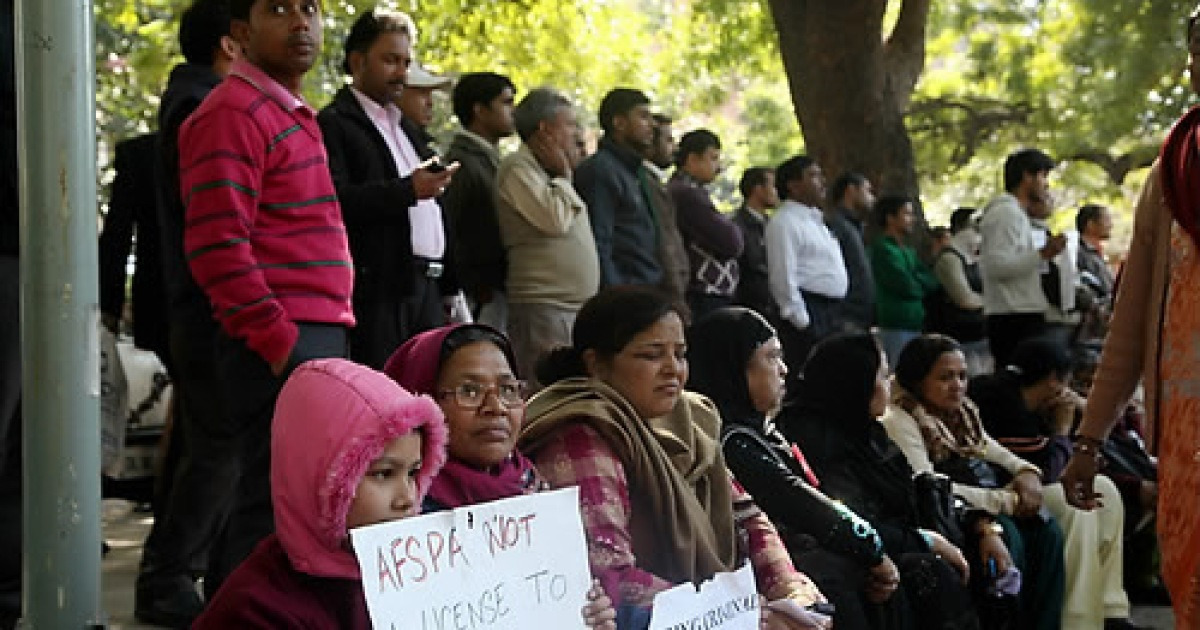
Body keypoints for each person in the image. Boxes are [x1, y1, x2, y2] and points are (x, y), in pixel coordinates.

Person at [520, 287, 832, 629]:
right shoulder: (582, 433)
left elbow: (746, 517)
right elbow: (611, 575)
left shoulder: (689, 420)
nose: (673, 370)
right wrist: (735, 614)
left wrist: (789, 588)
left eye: (680, 354)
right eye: (652, 355)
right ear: (596, 364)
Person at [179, 0, 355, 595]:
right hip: (281, 340)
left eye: (310, 8)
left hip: (316, 332)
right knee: (269, 506)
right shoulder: (230, 111)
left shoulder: (290, 111)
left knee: (294, 504)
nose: (301, 23)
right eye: (279, 9)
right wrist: (281, 346)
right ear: (240, 33)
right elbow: (216, 249)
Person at [689, 308, 977, 630]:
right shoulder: (730, 442)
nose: (784, 370)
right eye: (771, 358)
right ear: (734, 369)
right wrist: (874, 550)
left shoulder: (766, 434)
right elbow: (804, 505)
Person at [1063, 8, 1200, 624]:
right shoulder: (1173, 170)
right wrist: (1090, 438)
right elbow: (1128, 320)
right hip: (1185, 446)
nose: (1198, 67)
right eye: (1197, 53)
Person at [192, 359, 447, 628]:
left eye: (413, 473)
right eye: (383, 474)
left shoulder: (412, 576)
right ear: (319, 476)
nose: (407, 498)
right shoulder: (257, 611)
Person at [137, 0, 240, 621]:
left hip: (200, 306)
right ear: (233, 42)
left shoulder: (192, 100)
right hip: (210, 309)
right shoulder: (202, 106)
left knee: (209, 448)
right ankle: (169, 577)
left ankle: (186, 573)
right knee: (218, 450)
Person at [881, 335, 1065, 630]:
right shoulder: (900, 419)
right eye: (945, 377)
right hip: (942, 515)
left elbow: (992, 450)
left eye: (962, 376)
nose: (957, 385)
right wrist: (1006, 501)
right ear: (917, 380)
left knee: (1048, 531)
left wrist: (1027, 473)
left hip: (977, 503)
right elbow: (929, 487)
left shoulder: (961, 413)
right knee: (1009, 536)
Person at [317, 9, 458, 369]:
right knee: (385, 392)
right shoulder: (336, 124)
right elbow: (337, 201)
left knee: (426, 388)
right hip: (381, 287)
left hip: (427, 287)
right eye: (391, 60)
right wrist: (407, 191)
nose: (401, 72)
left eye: (406, 62)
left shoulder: (403, 126)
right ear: (358, 61)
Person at [967, 337, 1138, 629]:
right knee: (1073, 501)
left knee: (1105, 491)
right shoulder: (1000, 399)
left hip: (1023, 487)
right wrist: (1061, 429)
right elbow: (1052, 471)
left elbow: (1118, 437)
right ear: (1053, 380)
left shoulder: (1030, 400)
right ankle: (1076, 619)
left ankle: (1111, 611)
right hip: (998, 493)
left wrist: (1088, 415)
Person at [494, 88, 599, 388]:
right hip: (543, 306)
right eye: (570, 124)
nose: (576, 133)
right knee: (546, 393)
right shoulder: (518, 167)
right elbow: (553, 219)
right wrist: (564, 176)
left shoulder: (548, 171)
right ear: (545, 129)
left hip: (570, 307)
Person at [977, 148, 1065, 367]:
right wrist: (1042, 254)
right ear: (1027, 176)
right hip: (1012, 316)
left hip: (1022, 312)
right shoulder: (1005, 214)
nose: (1046, 184)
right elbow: (997, 267)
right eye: (1043, 176)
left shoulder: (1018, 215)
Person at [443, 72, 517, 329]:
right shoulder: (462, 163)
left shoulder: (491, 161)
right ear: (480, 110)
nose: (513, 112)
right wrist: (474, 284)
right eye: (505, 103)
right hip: (480, 296)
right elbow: (452, 229)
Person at [766, 155, 847, 381]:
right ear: (793, 185)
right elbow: (782, 275)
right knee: (810, 377)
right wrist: (801, 320)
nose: (821, 181)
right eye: (813, 175)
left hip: (832, 312)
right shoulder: (784, 222)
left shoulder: (816, 221)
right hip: (810, 311)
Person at [575, 89, 665, 290]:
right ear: (619, 123)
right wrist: (616, 294)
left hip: (646, 286)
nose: (652, 125)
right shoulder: (601, 170)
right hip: (624, 293)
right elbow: (599, 241)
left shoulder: (633, 170)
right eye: (643, 116)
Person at [668, 129, 743, 320]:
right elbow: (731, 241)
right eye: (713, 158)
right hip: (704, 292)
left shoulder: (692, 191)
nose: (718, 166)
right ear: (693, 159)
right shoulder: (687, 194)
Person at [867, 195, 938, 366]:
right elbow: (906, 285)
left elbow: (932, 281)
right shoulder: (883, 249)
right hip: (894, 326)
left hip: (915, 325)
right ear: (891, 218)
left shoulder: (908, 251)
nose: (912, 220)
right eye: (906, 214)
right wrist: (917, 282)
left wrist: (917, 279)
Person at [927, 207, 988, 374]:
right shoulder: (949, 259)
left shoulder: (976, 259)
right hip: (958, 337)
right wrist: (992, 302)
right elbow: (964, 299)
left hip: (980, 334)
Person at [643, 112, 691, 310]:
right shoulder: (646, 183)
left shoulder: (655, 182)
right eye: (668, 140)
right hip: (665, 292)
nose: (675, 148)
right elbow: (664, 240)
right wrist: (675, 293)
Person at [825, 172, 876, 332]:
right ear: (851, 190)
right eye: (868, 191)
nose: (872, 197)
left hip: (862, 316)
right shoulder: (837, 225)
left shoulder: (855, 227)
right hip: (846, 315)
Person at [733, 167, 779, 319]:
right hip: (752, 307)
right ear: (758, 189)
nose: (777, 191)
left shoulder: (774, 224)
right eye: (773, 186)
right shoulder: (737, 226)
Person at [1074, 204, 1116, 346]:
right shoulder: (1079, 254)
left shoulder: (1097, 255)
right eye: (1107, 220)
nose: (1111, 225)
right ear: (1091, 224)